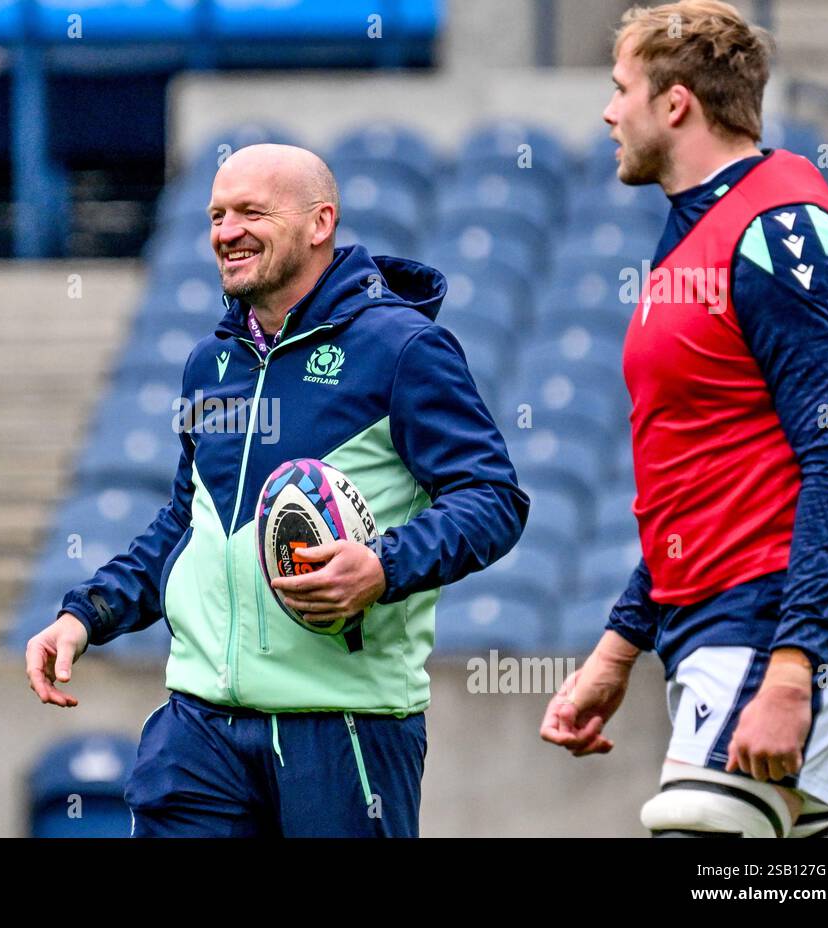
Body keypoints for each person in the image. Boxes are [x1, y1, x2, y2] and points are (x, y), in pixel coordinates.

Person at [27, 143, 529, 837]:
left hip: (343, 729)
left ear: (320, 222)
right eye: (216, 215)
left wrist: (384, 567)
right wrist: (87, 614)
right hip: (197, 731)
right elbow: (188, 522)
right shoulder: (211, 364)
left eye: (250, 212)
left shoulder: (403, 349)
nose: (225, 231)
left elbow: (493, 499)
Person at [541, 0, 828, 839]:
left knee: (700, 831)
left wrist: (794, 668)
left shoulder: (783, 230)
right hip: (718, 613)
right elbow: (695, 479)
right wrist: (619, 651)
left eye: (622, 89)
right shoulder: (696, 234)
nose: (610, 112)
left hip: (768, 617)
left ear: (676, 101)